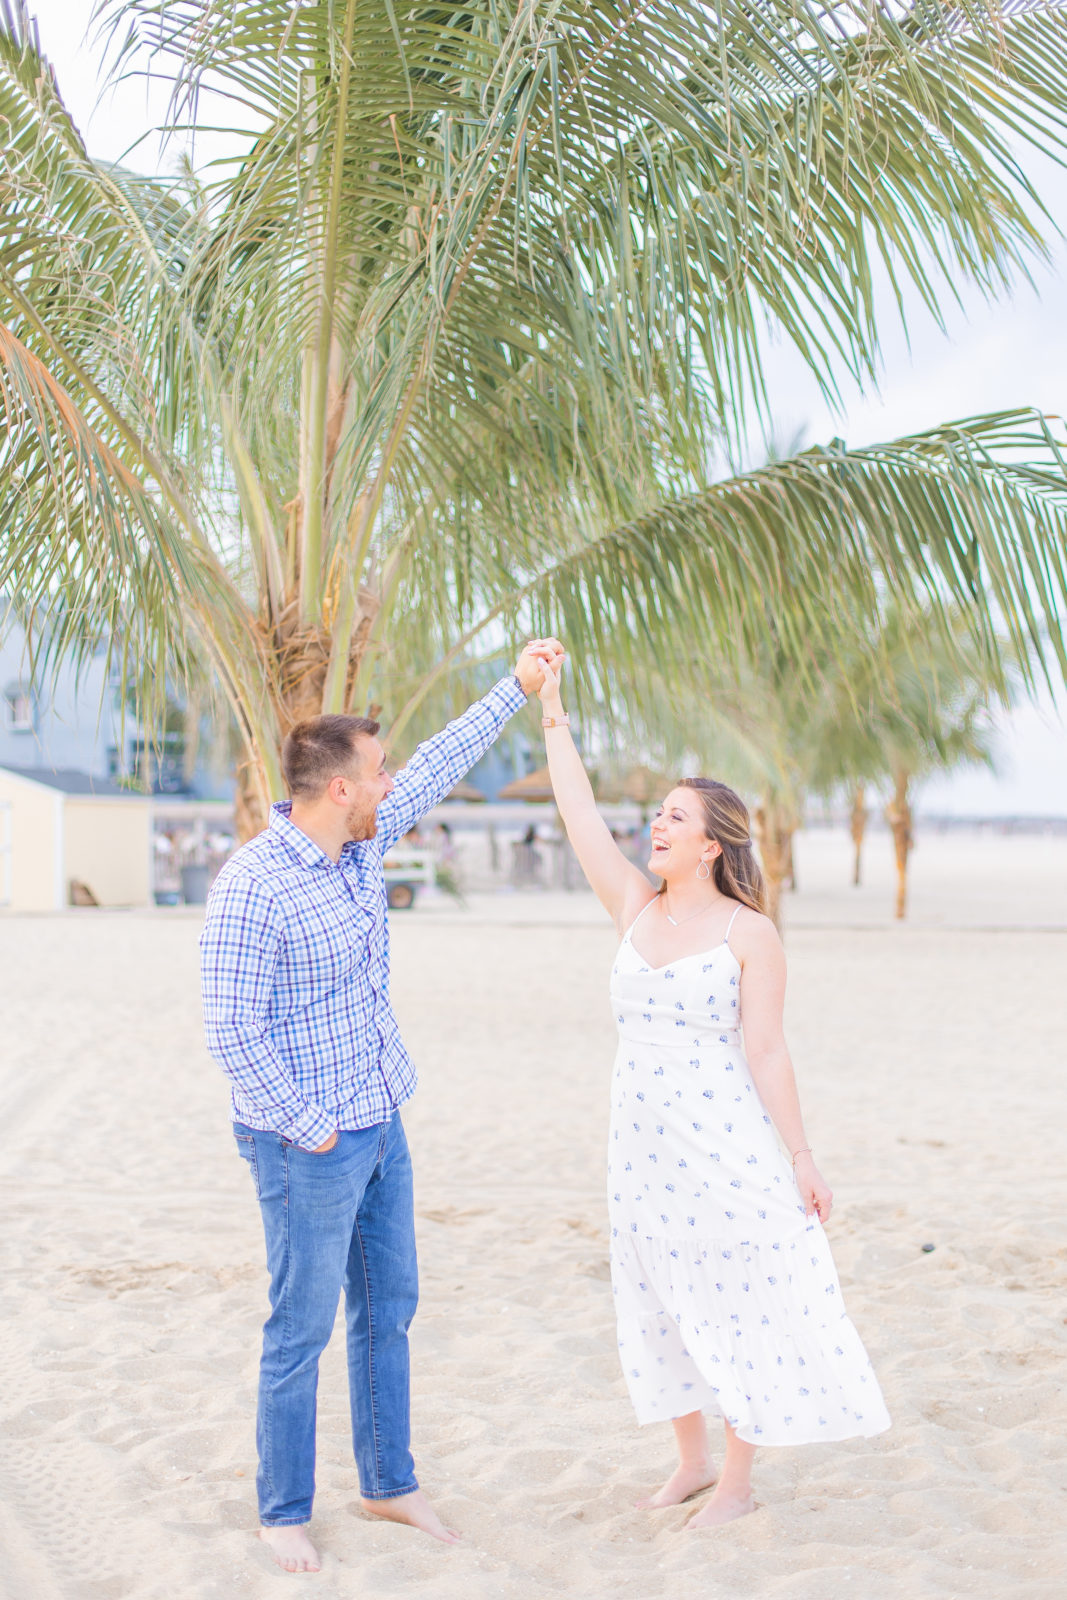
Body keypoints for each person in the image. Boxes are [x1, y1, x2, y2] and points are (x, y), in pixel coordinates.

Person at [200, 640, 563, 1574]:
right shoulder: (252, 885)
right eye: (379, 770)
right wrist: (309, 1126)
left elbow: (442, 758)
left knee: (388, 1306)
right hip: (303, 1140)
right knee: (300, 1325)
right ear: (340, 791)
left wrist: (515, 689)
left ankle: (387, 1482)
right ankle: (283, 1509)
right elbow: (232, 1033)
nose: (393, 780)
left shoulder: (360, 844)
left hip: (379, 1114)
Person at [536, 656, 890, 1527]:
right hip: (639, 1145)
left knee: (734, 1293)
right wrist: (551, 710)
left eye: (675, 817)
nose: (655, 825)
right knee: (655, 1291)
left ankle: (735, 1480)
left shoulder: (749, 931)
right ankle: (689, 1463)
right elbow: (577, 812)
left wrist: (801, 1157)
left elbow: (767, 1051)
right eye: (656, 813)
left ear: (712, 844)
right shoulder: (632, 904)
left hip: (723, 1142)